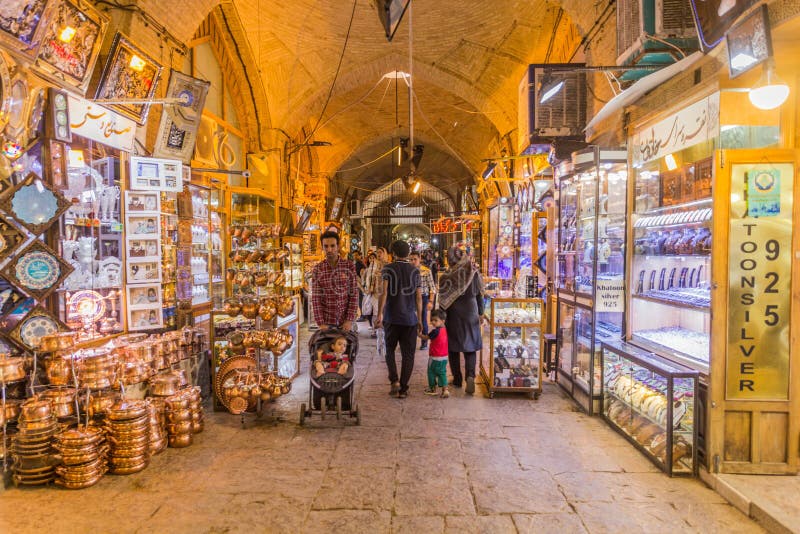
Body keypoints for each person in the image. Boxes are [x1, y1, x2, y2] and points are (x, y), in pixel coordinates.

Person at [376, 240, 422, 398]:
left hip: (391, 317)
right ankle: (403, 389)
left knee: (389, 350)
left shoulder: (388, 268)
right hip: (410, 319)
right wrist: (421, 319)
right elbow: (418, 298)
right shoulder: (415, 271)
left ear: (393, 253)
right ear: (408, 254)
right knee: (408, 354)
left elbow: (384, 293)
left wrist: (379, 314)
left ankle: (394, 380)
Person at [439, 243, 485, 395]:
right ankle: (470, 376)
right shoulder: (473, 273)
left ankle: (457, 379)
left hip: (453, 315)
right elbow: (479, 294)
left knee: (453, 348)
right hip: (471, 312)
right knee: (470, 346)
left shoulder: (446, 276)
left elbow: (443, 299)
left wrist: (439, 317)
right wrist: (481, 312)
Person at [311, 230, 359, 331]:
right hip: (327, 323)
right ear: (322, 247)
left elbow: (354, 294)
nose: (329, 249)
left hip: (345, 322)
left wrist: (349, 320)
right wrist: (321, 323)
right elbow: (316, 298)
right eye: (326, 246)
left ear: (338, 246)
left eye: (332, 246)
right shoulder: (318, 269)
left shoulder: (349, 266)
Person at [418, 309, 449, 398]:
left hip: (435, 356)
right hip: (444, 356)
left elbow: (426, 337)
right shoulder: (445, 330)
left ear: (442, 321)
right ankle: (445, 389)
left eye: (436, 320)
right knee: (442, 372)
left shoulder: (435, 331)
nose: (433, 322)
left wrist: (419, 334)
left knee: (431, 372)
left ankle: (432, 388)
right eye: (432, 320)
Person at [409, 251, 436, 349]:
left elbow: (432, 287)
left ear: (419, 258)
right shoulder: (408, 271)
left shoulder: (426, 271)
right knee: (411, 319)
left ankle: (424, 342)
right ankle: (410, 341)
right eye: (411, 259)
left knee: (423, 319)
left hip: (423, 297)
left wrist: (431, 301)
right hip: (410, 297)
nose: (413, 261)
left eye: (415, 259)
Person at [364, 247, 387, 335]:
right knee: (375, 311)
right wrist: (369, 288)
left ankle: (384, 328)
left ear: (385, 253)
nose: (379, 254)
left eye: (381, 252)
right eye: (377, 252)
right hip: (375, 291)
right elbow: (369, 277)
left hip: (386, 292)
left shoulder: (388, 264)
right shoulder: (373, 264)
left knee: (384, 311)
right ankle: (375, 329)